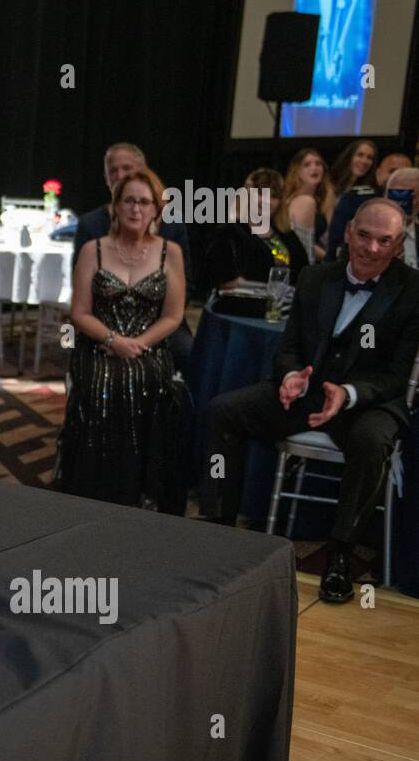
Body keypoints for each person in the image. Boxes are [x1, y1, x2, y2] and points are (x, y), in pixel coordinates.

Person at [202, 199, 419, 603]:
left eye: (384, 240)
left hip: (368, 401)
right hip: (308, 390)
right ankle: (218, 526)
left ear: (399, 243)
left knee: (372, 443)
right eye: (365, 236)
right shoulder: (317, 277)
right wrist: (289, 377)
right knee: (223, 412)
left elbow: (394, 377)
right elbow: (288, 348)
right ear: (350, 231)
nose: (372, 248)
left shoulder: (411, 291)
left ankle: (341, 552)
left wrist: (349, 394)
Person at [57, 168, 187, 514]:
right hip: (98, 344)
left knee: (145, 380)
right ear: (115, 206)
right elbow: (80, 312)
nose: (136, 209)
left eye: (144, 202)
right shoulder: (92, 249)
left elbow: (173, 316)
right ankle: (94, 491)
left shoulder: (170, 252)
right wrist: (114, 340)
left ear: (156, 210)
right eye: (128, 200)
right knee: (105, 382)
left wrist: (137, 343)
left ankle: (144, 491)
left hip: (149, 346)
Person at [72, 142, 193, 370]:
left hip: (159, 324)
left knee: (191, 354)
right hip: (101, 326)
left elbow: (185, 292)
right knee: (67, 343)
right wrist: (113, 339)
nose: (119, 175)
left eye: (126, 169)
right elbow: (79, 300)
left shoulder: (172, 226)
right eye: (112, 171)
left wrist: (139, 340)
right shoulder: (90, 225)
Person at [205, 168, 308, 294]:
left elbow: (304, 274)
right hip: (239, 307)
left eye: (274, 196)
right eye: (261, 194)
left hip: (284, 308)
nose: (267, 201)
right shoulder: (228, 232)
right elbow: (223, 280)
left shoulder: (287, 235)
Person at [326, 152, 413, 262]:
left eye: (404, 173)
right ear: (378, 174)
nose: (397, 177)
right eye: (392, 171)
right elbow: (336, 244)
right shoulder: (356, 199)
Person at [283, 148, 335, 262]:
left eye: (318, 164)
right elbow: (302, 245)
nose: (314, 168)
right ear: (297, 171)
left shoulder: (321, 200)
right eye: (307, 165)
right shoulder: (305, 201)